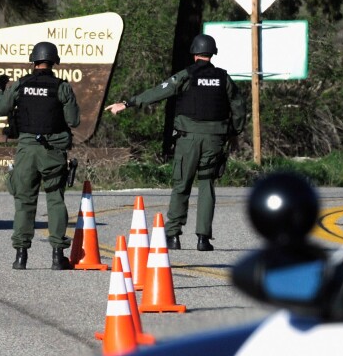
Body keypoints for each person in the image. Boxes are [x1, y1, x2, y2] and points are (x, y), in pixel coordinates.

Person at [105, 33, 246, 252]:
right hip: (214, 140)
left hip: (188, 138)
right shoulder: (223, 78)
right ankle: (203, 239)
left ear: (194, 53)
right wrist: (233, 132)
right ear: (212, 53)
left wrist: (128, 103)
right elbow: (238, 106)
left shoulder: (186, 75)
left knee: (182, 185)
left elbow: (160, 91)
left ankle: (173, 235)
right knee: (207, 184)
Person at [0, 41, 81, 270]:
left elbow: (0, 109)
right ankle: (57, 256)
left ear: (33, 61)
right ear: (54, 62)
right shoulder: (62, 87)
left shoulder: (21, 84)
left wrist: (0, 89)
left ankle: (21, 257)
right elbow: (74, 121)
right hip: (52, 151)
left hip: (26, 151)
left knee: (24, 201)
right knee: (55, 199)